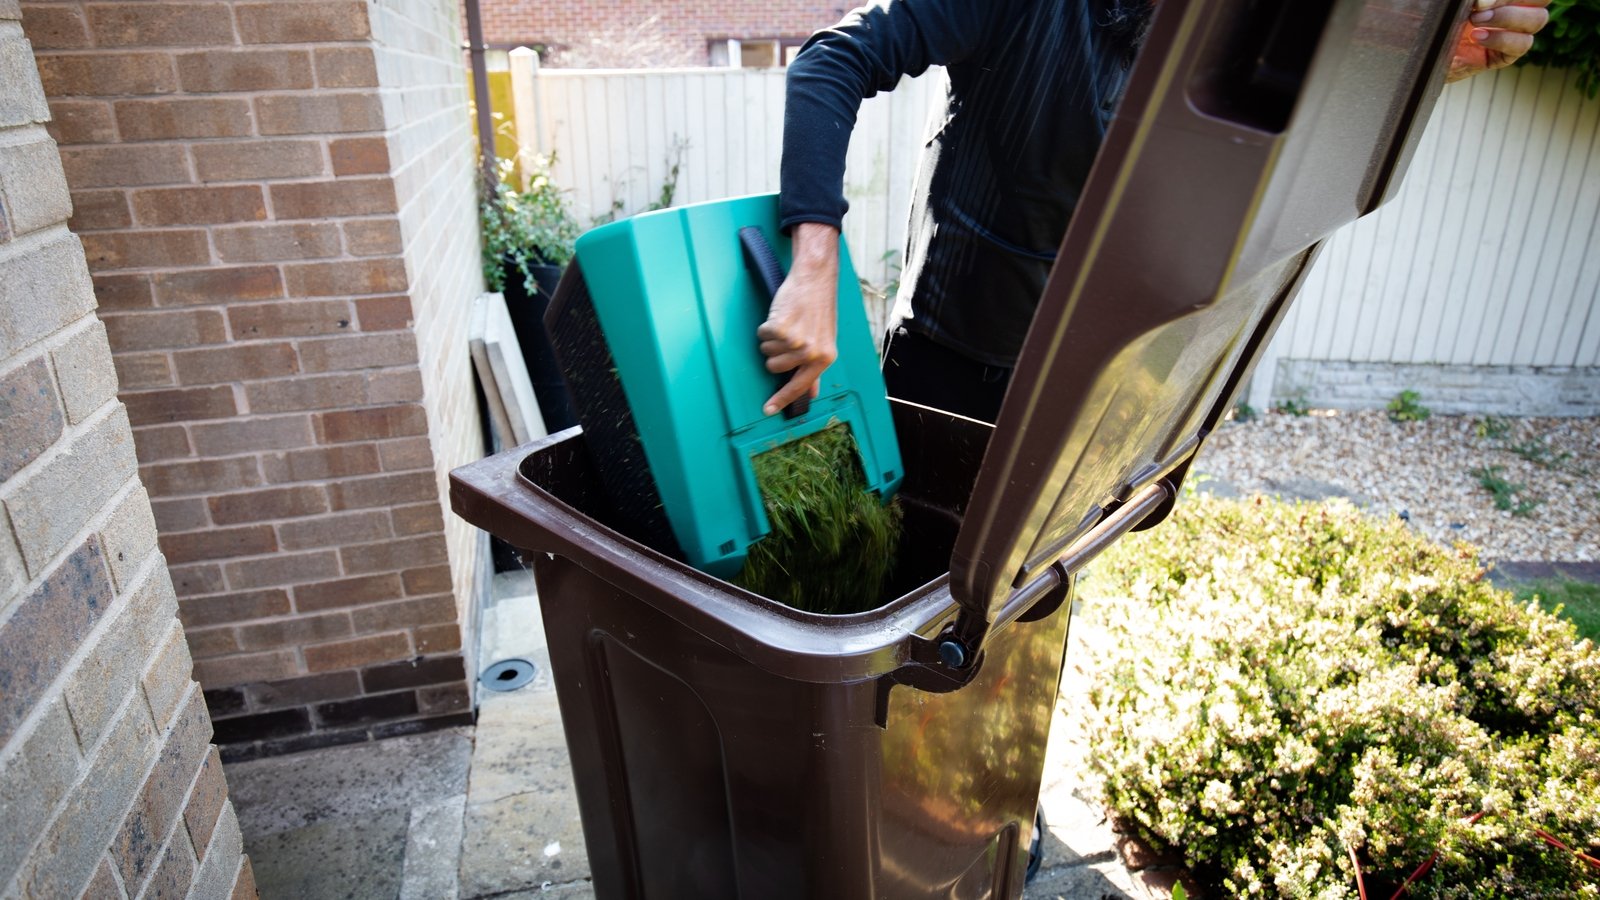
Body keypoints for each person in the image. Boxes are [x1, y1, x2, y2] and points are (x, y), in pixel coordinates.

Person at [759, 0, 1551, 425]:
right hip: (948, 363)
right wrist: (814, 267)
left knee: (1022, 628)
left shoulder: (1234, 32)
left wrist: (1432, 65)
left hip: (1096, 382)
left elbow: (1307, 142)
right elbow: (835, 60)